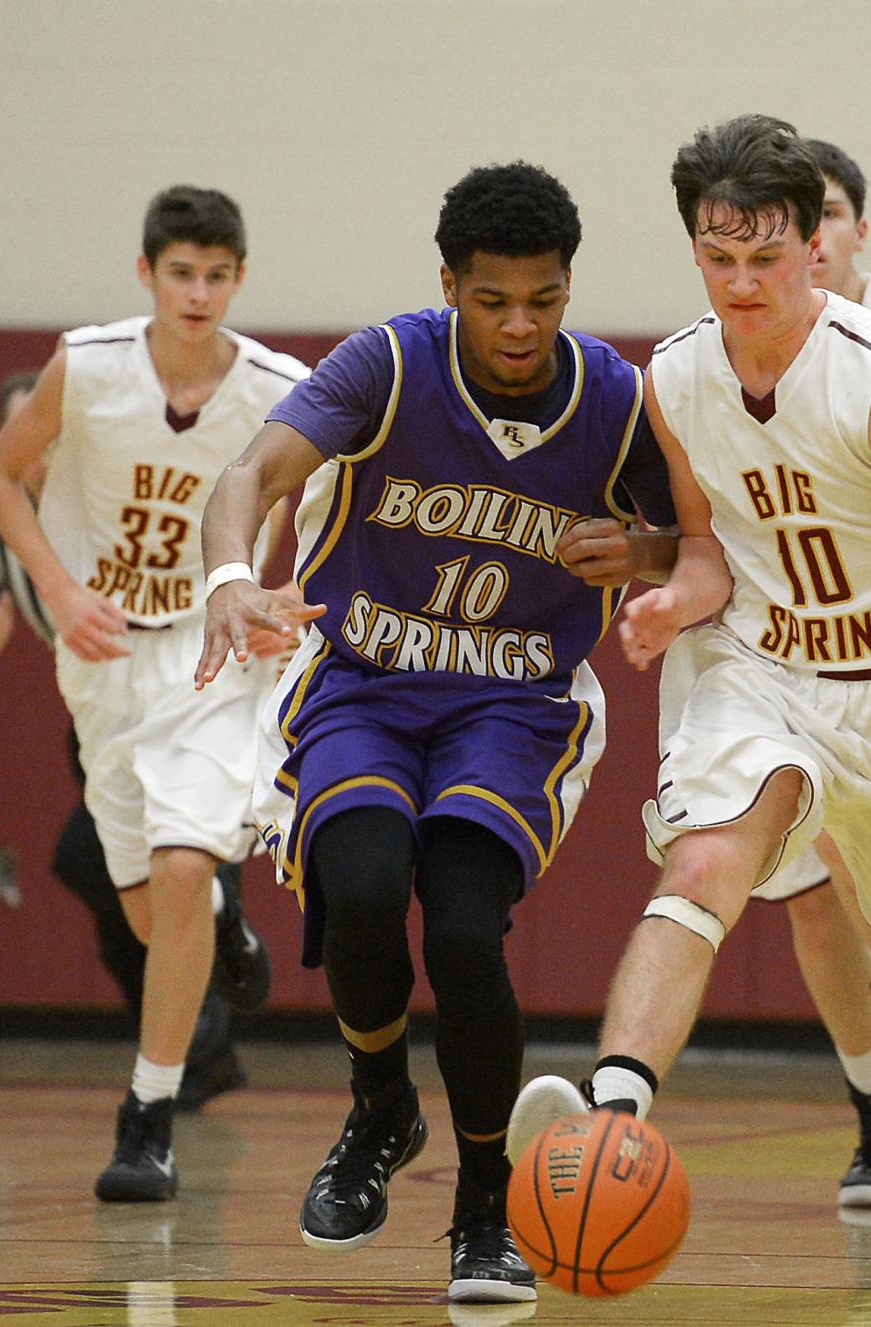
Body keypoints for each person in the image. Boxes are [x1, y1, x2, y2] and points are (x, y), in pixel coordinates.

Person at [508, 115, 871, 1181]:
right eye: (718, 259)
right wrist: (675, 597)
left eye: (764, 257)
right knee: (709, 854)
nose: (741, 282)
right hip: (760, 671)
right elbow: (713, 549)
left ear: (814, 246)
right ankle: (612, 1109)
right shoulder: (674, 378)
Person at [193, 161, 676, 1304]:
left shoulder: (616, 399)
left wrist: (647, 557)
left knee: (463, 933)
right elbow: (253, 471)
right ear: (449, 284)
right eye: (493, 298)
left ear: (569, 288)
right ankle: (380, 1106)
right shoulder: (389, 363)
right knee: (359, 887)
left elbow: (702, 541)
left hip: (515, 699)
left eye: (545, 299)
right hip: (365, 677)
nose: (520, 325)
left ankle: (483, 1209)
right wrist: (228, 575)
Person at [0, 185, 299, 1200]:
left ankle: (148, 1114)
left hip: (210, 658)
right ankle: (223, 921)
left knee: (180, 861)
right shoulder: (92, 364)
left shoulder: (277, 385)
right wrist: (59, 587)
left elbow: (308, 496)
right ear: (147, 273)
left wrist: (268, 589)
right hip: (108, 655)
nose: (198, 292)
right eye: (180, 272)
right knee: (161, 912)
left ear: (239, 279)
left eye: (216, 274)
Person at [0, 372, 256, 1110]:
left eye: (51, 435)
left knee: (162, 863)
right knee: (111, 872)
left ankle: (193, 1040)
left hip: (185, 694)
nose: (39, 454)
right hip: (97, 710)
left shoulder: (120, 494)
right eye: (22, 440)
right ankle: (196, 1027)